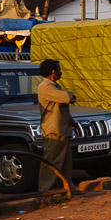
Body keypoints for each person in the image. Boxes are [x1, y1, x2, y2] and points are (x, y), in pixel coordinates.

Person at [37, 59, 76, 193]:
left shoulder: (54, 86)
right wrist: (72, 95)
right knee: (52, 163)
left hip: (62, 130)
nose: (61, 72)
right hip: (54, 131)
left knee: (65, 163)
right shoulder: (46, 87)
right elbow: (66, 98)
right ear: (54, 72)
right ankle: (45, 191)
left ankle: (67, 189)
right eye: (59, 69)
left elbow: (61, 108)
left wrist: (71, 121)